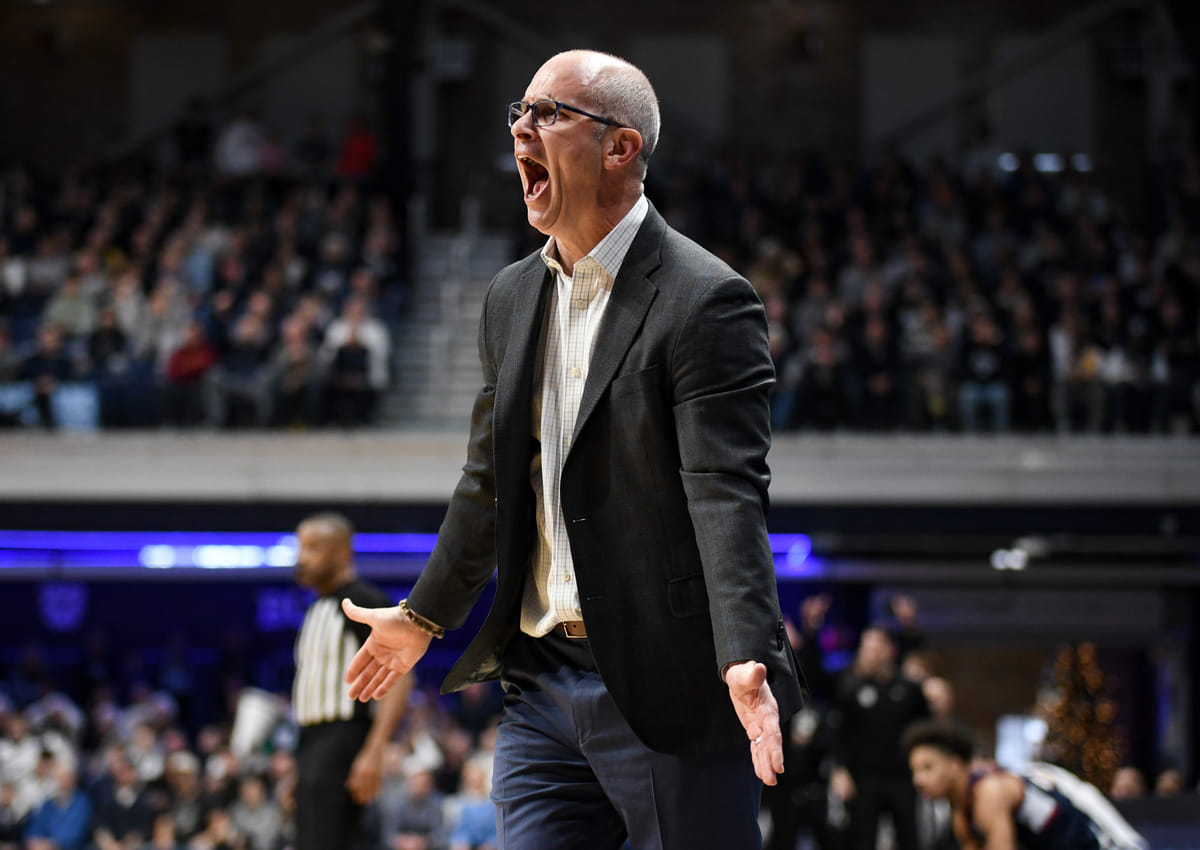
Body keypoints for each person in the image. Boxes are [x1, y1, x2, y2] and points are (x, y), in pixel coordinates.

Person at [340, 49, 805, 849]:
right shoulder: (511, 295)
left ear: (620, 147)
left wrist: (744, 654)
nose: (522, 127)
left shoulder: (707, 301)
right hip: (541, 687)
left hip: (671, 684)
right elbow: (488, 483)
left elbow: (724, 493)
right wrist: (424, 616)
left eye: (548, 113)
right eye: (517, 113)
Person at [291, 512, 412, 850]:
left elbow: (401, 679)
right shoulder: (316, 607)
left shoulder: (364, 602)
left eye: (313, 548)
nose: (302, 558)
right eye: (301, 548)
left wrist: (374, 751)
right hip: (310, 741)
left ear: (343, 553)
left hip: (344, 736)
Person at [904, 720, 1147, 850]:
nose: (918, 780)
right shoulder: (961, 810)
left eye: (928, 768)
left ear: (956, 765)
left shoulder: (989, 791)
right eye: (914, 771)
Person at [829, 625, 929, 850]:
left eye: (873, 648)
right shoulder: (852, 688)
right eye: (865, 648)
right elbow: (841, 735)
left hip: (903, 777)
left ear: (889, 651)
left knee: (909, 838)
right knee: (863, 839)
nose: (867, 654)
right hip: (864, 779)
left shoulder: (910, 689)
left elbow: (925, 731)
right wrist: (840, 770)